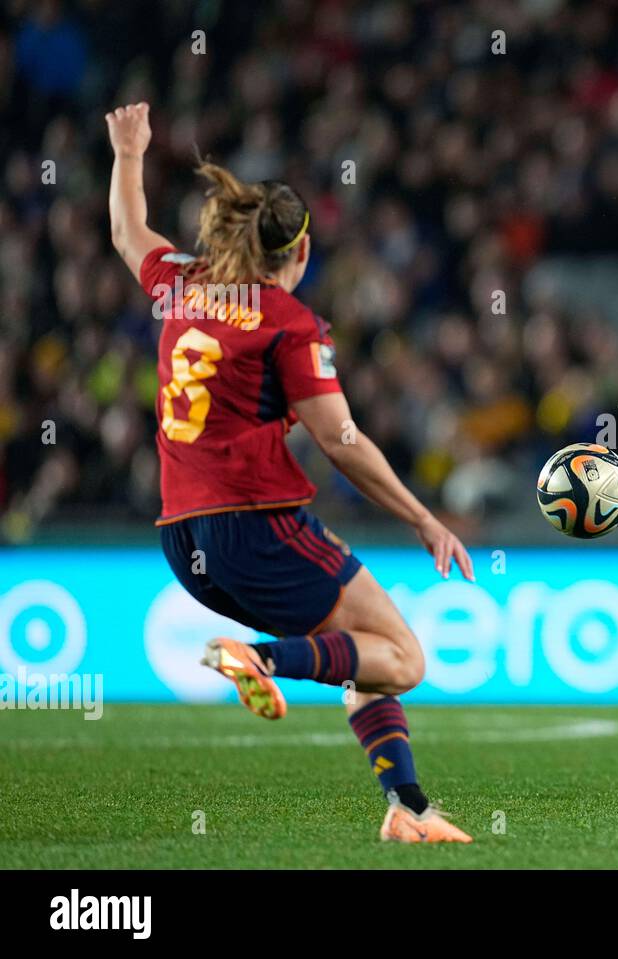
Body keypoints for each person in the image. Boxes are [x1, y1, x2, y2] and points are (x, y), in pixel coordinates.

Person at [106, 101, 474, 842]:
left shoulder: (182, 282)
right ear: (300, 254)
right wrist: (424, 517)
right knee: (402, 658)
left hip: (184, 541)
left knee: (358, 651)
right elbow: (340, 440)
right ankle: (259, 659)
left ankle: (409, 808)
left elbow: (125, 230)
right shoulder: (288, 322)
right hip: (255, 526)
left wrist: (129, 153)